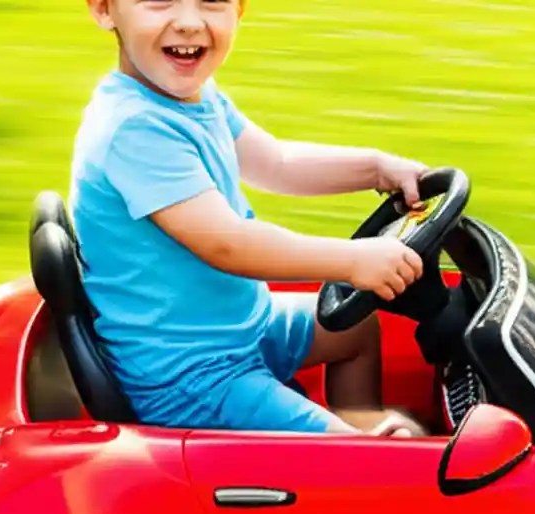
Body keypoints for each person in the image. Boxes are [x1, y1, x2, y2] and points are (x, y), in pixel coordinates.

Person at [70, 0, 429, 436]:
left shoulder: (195, 98)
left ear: (240, 11)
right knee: (356, 456)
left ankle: (358, 420)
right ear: (105, 10)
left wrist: (375, 168)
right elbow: (228, 243)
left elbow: (277, 163)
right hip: (191, 374)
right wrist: (354, 260)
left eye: (212, 2)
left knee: (354, 329)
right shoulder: (136, 129)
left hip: (241, 325)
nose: (188, 22)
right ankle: (355, 457)